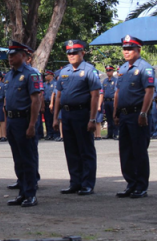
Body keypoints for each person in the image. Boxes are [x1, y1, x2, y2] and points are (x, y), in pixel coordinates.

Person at [53, 40, 101, 196]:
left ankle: (87, 184)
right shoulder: (63, 72)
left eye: (75, 53)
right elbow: (58, 96)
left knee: (85, 150)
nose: (71, 56)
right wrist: (55, 118)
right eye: (69, 53)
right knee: (71, 150)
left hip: (82, 114)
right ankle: (75, 182)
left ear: (82, 53)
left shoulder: (89, 70)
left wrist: (92, 119)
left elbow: (95, 96)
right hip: (66, 114)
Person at [112, 35, 155, 199]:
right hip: (123, 115)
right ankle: (130, 183)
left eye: (130, 49)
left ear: (139, 50)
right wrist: (116, 113)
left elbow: (149, 91)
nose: (127, 52)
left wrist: (144, 112)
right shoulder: (122, 69)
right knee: (126, 152)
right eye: (125, 49)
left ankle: (141, 186)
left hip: (138, 114)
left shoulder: (145, 68)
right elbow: (118, 93)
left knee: (139, 151)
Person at [3, 41, 42, 207]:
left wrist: (32, 124)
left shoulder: (31, 74)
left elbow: (36, 99)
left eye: (14, 54)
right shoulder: (9, 75)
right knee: (18, 159)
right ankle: (22, 192)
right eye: (9, 55)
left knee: (28, 158)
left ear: (25, 56)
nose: (10, 58)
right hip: (12, 120)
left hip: (25, 120)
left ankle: (31, 194)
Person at [102, 66, 118, 139]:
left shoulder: (115, 80)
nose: (108, 72)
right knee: (108, 118)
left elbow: (116, 92)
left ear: (112, 71)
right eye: (107, 71)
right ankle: (110, 134)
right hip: (106, 101)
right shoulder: (105, 81)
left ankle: (115, 133)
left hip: (113, 101)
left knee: (114, 117)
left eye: (110, 71)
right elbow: (103, 92)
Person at [42, 70, 57, 140]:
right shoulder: (44, 84)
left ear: (50, 76)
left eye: (46, 75)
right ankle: (49, 134)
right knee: (47, 119)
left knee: (54, 118)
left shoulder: (55, 84)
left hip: (53, 104)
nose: (45, 77)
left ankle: (55, 134)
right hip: (46, 103)